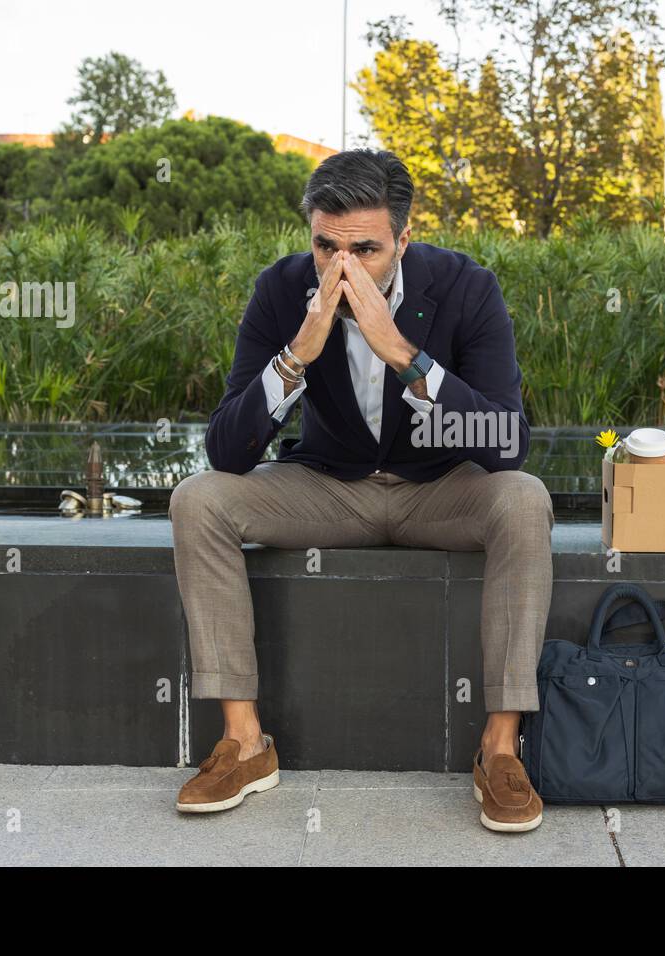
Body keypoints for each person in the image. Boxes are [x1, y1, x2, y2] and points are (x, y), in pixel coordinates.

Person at [168, 149, 552, 832]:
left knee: (524, 498)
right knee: (199, 498)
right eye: (325, 246)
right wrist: (297, 354)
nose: (342, 267)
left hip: (439, 490)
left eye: (366, 250)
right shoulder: (282, 290)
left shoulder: (467, 287)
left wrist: (403, 351)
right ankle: (244, 743)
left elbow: (506, 443)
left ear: (404, 239)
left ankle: (500, 748)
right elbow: (227, 449)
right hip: (330, 487)